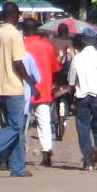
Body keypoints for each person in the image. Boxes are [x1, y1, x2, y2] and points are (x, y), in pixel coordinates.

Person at [0, 2, 36, 177]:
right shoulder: (14, 35)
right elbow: (18, 62)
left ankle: (17, 168)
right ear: (13, 15)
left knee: (13, 128)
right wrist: (31, 82)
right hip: (13, 87)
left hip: (1, 87)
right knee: (16, 126)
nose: (19, 17)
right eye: (18, 14)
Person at [23, 18, 62, 168]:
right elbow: (55, 68)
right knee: (44, 122)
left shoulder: (20, 45)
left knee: (22, 124)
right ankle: (46, 153)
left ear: (24, 30)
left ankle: (20, 153)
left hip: (24, 89)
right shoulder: (47, 45)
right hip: (44, 89)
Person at [69, 32, 97, 168]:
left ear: (83, 43)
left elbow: (71, 81)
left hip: (83, 97)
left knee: (83, 128)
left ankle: (88, 160)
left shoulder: (77, 58)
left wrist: (71, 96)